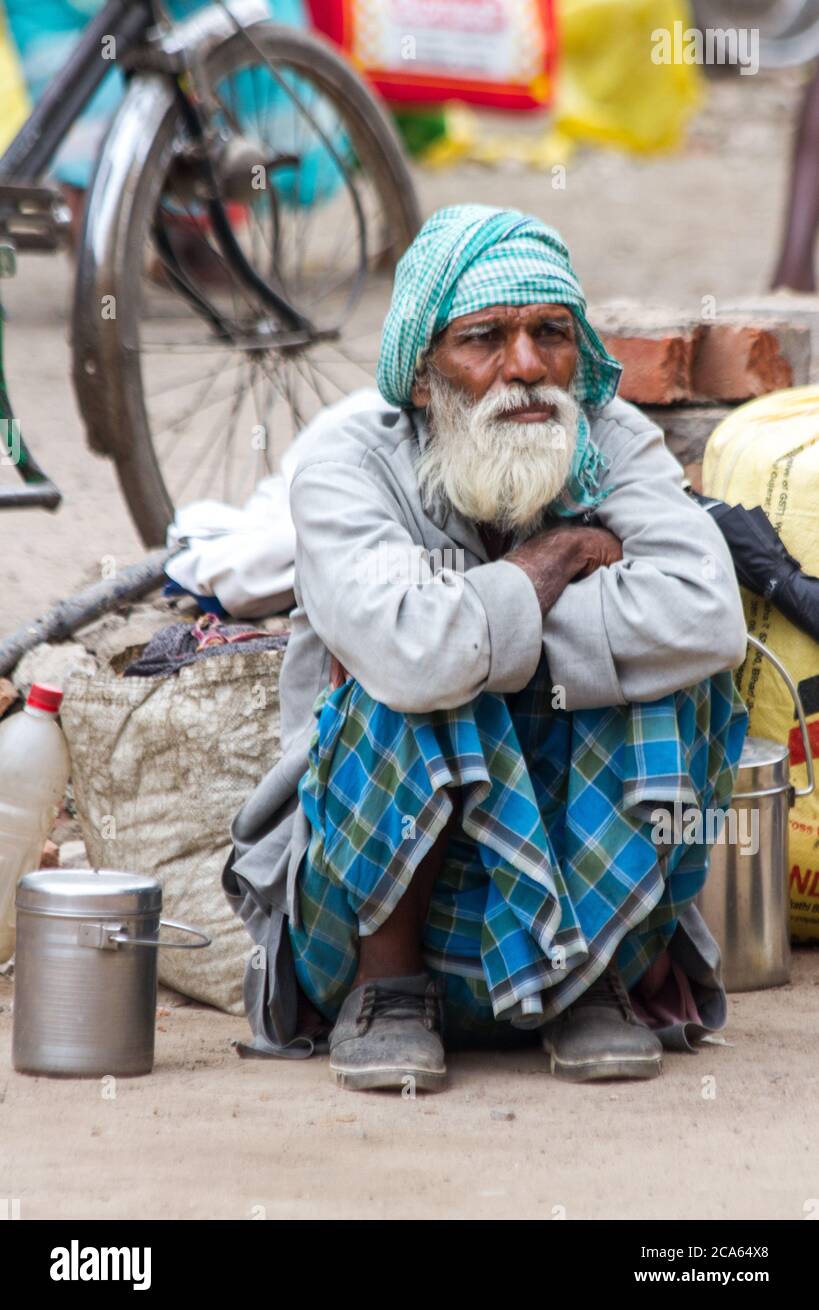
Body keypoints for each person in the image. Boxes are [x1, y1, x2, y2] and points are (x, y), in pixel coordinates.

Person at [225, 203, 748, 1092]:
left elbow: (706, 616)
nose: (526, 368)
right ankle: (386, 992)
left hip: (595, 895)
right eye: (484, 339)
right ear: (424, 376)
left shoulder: (608, 436)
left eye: (551, 334)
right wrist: (558, 558)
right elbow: (410, 657)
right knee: (412, 679)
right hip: (371, 908)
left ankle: (596, 982)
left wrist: (481, 632)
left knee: (681, 681)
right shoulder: (347, 464)